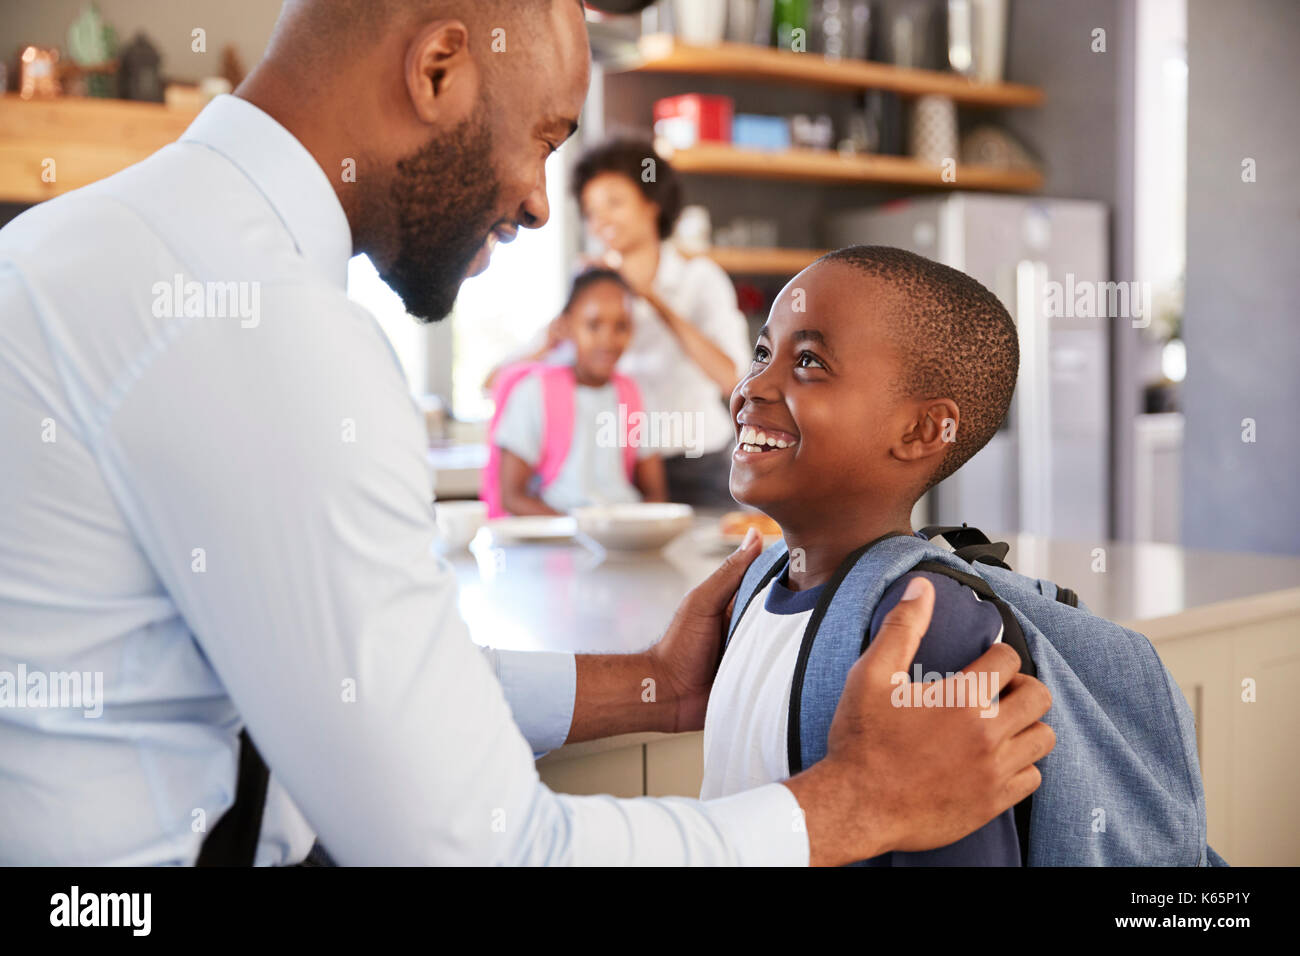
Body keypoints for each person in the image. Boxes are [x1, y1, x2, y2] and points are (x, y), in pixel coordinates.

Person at [0, 0, 1053, 865]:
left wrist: (653, 682)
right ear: (439, 69)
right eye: (546, 136)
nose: (540, 204)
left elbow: (349, 674)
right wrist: (848, 808)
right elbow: (488, 854)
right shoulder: (262, 324)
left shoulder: (107, 244)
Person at [705, 246, 1212, 865]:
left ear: (921, 431)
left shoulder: (922, 625)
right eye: (763, 353)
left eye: (808, 361)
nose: (754, 384)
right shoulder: (759, 579)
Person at [490, 138, 752, 508]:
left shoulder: (699, 279)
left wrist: (650, 296)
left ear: (651, 204)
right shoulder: (592, 284)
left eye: (614, 202)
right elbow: (511, 379)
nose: (601, 221)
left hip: (699, 465)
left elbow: (732, 377)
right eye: (591, 211)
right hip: (621, 472)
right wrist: (575, 315)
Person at [486, 268, 667, 515]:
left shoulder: (636, 394)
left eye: (621, 326)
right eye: (593, 325)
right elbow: (512, 497)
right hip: (556, 539)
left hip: (621, 536)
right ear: (567, 326)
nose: (608, 340)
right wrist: (581, 531)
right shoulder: (534, 393)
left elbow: (655, 494)